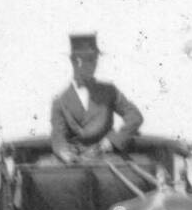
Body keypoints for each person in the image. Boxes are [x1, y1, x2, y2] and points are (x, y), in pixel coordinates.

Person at [50, 33, 143, 164]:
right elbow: (58, 138)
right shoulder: (59, 102)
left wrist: (113, 141)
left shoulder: (109, 91)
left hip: (109, 162)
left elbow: (134, 116)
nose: (93, 64)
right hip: (75, 166)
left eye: (94, 59)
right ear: (74, 61)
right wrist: (66, 154)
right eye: (87, 59)